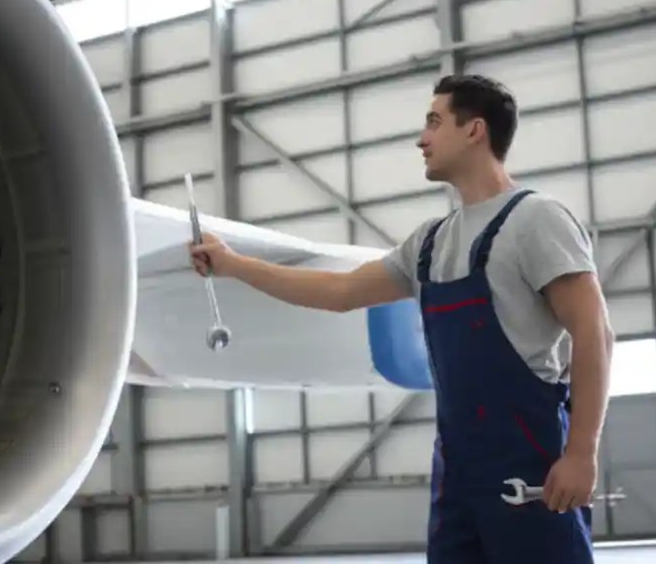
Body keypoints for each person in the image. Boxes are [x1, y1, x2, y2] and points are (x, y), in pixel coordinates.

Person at [189, 74, 614, 563]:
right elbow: (340, 291)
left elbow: (595, 333)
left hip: (530, 464)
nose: (421, 138)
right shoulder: (430, 242)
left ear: (474, 131)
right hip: (457, 471)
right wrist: (232, 264)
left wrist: (581, 452)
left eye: (434, 122)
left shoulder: (537, 219)